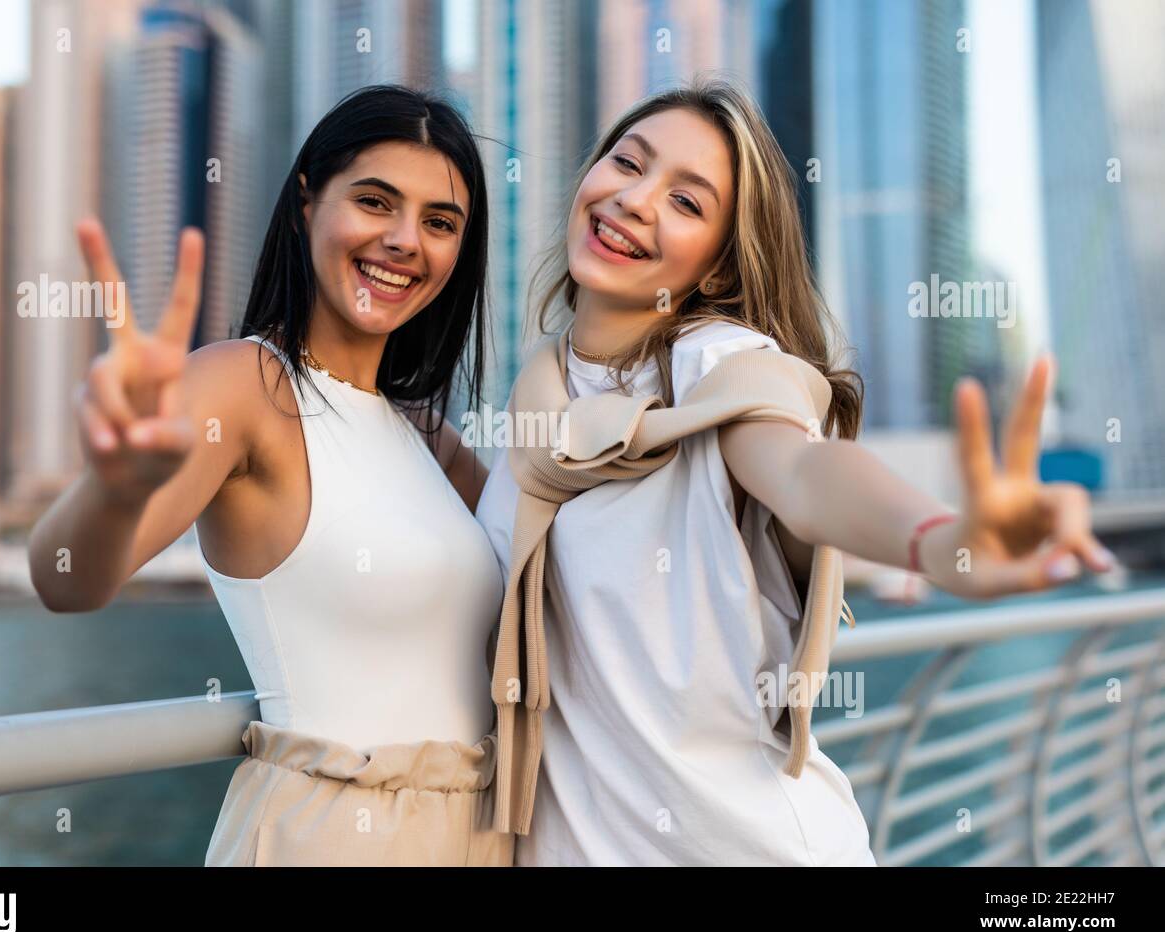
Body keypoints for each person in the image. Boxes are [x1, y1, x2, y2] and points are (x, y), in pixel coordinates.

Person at [474, 78, 1116, 865]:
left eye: (687, 202)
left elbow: (807, 474)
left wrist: (944, 541)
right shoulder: (537, 402)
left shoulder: (720, 370)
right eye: (627, 163)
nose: (635, 200)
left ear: (715, 268)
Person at [28, 85, 512, 866]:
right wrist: (116, 487)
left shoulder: (429, 436)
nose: (404, 240)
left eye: (439, 222)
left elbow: (564, 574)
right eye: (375, 202)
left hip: (478, 838)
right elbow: (65, 581)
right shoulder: (246, 386)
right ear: (305, 203)